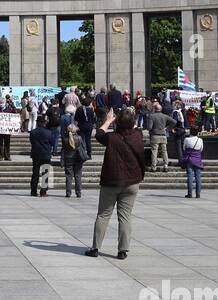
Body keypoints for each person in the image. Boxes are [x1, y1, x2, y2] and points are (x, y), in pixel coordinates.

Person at [86, 107, 145, 259]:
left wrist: (108, 120)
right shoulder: (138, 136)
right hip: (131, 181)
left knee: (103, 215)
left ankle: (95, 248)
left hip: (111, 181)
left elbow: (99, 133)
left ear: (117, 123)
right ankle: (123, 250)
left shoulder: (112, 138)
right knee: (125, 216)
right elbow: (135, 127)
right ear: (133, 123)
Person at [29, 114, 55, 197]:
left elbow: (32, 142)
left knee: (35, 173)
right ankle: (43, 191)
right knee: (45, 174)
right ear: (44, 122)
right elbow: (53, 143)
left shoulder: (33, 132)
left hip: (36, 154)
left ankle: (33, 191)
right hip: (46, 155)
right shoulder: (49, 132)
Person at [62, 122, 88, 198]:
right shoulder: (79, 138)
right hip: (78, 158)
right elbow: (83, 147)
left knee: (68, 176)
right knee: (78, 176)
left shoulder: (65, 138)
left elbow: (63, 150)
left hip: (68, 158)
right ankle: (78, 192)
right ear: (75, 130)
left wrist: (62, 160)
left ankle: (68, 192)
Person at [145, 100, 171, 172]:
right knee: (164, 151)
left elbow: (149, 128)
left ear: (155, 109)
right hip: (163, 135)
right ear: (161, 109)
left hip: (154, 136)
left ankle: (154, 167)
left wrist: (149, 128)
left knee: (154, 151)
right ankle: (166, 166)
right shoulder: (165, 116)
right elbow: (174, 122)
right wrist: (167, 128)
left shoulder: (151, 116)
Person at [181, 125, 204, 198]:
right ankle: (198, 193)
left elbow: (184, 148)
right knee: (198, 177)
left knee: (190, 176)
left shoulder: (187, 139)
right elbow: (201, 149)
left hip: (189, 159)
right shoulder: (200, 140)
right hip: (197, 159)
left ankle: (189, 193)